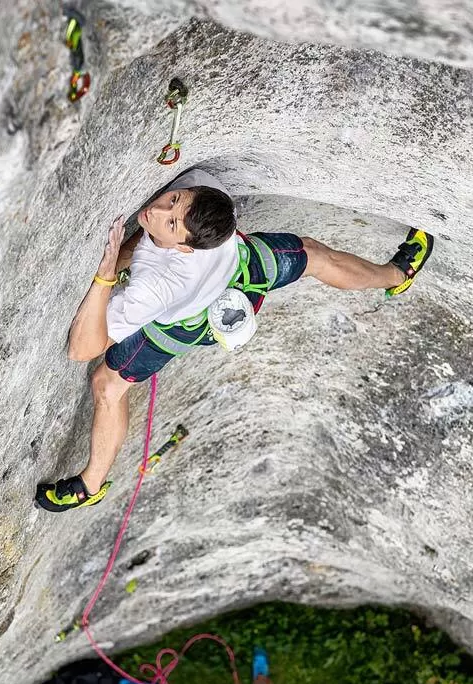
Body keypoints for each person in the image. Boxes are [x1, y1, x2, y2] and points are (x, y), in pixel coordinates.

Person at [35, 169, 433, 512]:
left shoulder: (153, 288)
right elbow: (167, 226)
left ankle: (89, 486)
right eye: (172, 201)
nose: (156, 211)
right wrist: (152, 237)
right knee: (312, 255)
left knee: (107, 385)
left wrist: (108, 272)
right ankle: (397, 276)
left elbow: (82, 349)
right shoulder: (206, 194)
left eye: (170, 222)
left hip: (185, 322)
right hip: (245, 267)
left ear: (186, 247)